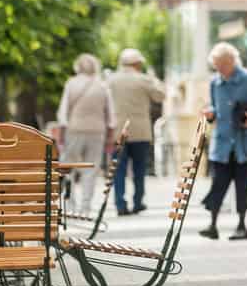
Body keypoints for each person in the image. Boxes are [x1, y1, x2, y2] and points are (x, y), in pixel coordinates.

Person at [199, 42, 247, 241]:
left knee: (242, 184)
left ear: (232, 61)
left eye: (223, 64)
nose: (220, 69)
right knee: (219, 183)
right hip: (222, 144)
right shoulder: (215, 82)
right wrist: (210, 113)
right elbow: (216, 108)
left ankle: (242, 226)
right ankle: (212, 225)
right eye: (216, 65)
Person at [107, 48, 166, 216]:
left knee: (118, 168)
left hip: (119, 130)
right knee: (140, 168)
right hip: (141, 130)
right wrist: (154, 77)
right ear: (137, 64)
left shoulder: (111, 81)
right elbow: (160, 96)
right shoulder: (144, 79)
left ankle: (120, 203)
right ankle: (138, 202)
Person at [56, 53, 113, 213]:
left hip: (74, 130)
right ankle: (86, 206)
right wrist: (110, 137)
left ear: (77, 67)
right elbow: (111, 115)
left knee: (68, 167)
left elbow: (63, 112)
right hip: (97, 131)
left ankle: (70, 204)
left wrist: (61, 134)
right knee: (91, 169)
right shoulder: (102, 85)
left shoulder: (71, 84)